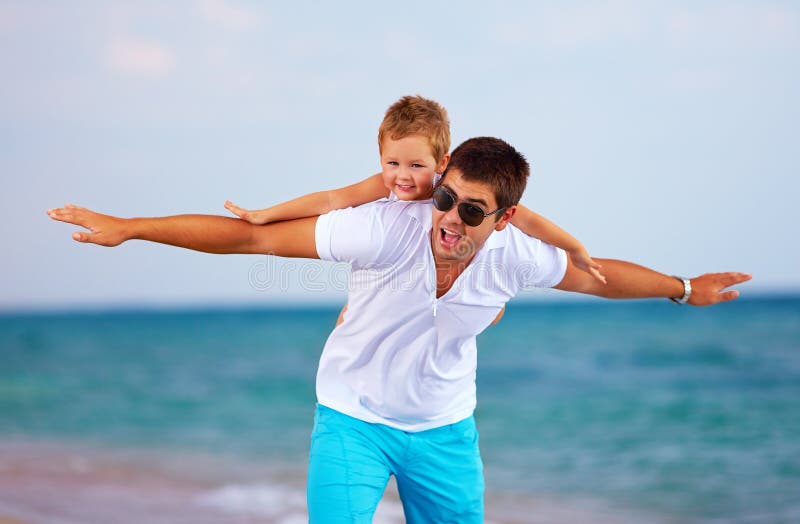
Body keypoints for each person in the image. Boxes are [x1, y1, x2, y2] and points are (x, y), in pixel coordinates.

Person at [47, 136, 751, 523]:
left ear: (503, 219)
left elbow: (599, 276)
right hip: (351, 419)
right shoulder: (384, 228)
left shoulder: (515, 257)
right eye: (446, 198)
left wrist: (685, 290)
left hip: (445, 431)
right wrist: (130, 229)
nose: (449, 219)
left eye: (472, 212)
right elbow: (251, 242)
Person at [225, 95, 606, 284]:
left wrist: (576, 249)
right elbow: (331, 200)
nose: (402, 177)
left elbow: (531, 221)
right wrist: (267, 214)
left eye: (416, 166)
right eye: (392, 163)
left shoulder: (453, 192)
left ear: (441, 164)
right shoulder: (383, 185)